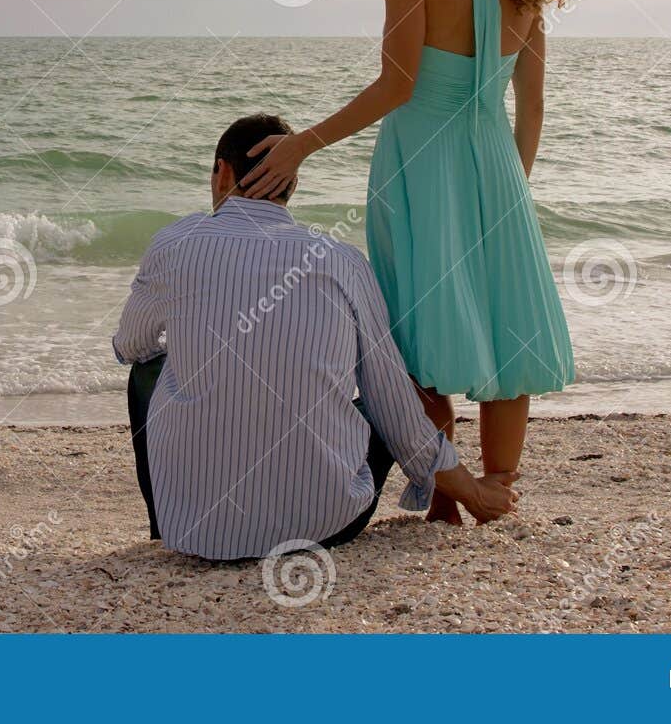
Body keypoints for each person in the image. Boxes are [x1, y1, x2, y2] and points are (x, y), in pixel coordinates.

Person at [238, 0, 575, 525]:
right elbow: (532, 107)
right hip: (496, 165)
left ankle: (447, 499)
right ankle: (499, 487)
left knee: (415, 332)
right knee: (504, 323)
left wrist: (304, 142)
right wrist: (509, 187)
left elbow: (398, 84)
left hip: (420, 165)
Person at [112, 112, 519, 561]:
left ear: (222, 172)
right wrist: (474, 494)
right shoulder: (339, 260)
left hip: (195, 533)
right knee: (378, 395)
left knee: (148, 369)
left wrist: (196, 347)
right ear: (292, 183)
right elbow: (395, 406)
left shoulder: (174, 244)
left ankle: (168, 518)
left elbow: (130, 346)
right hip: (326, 526)